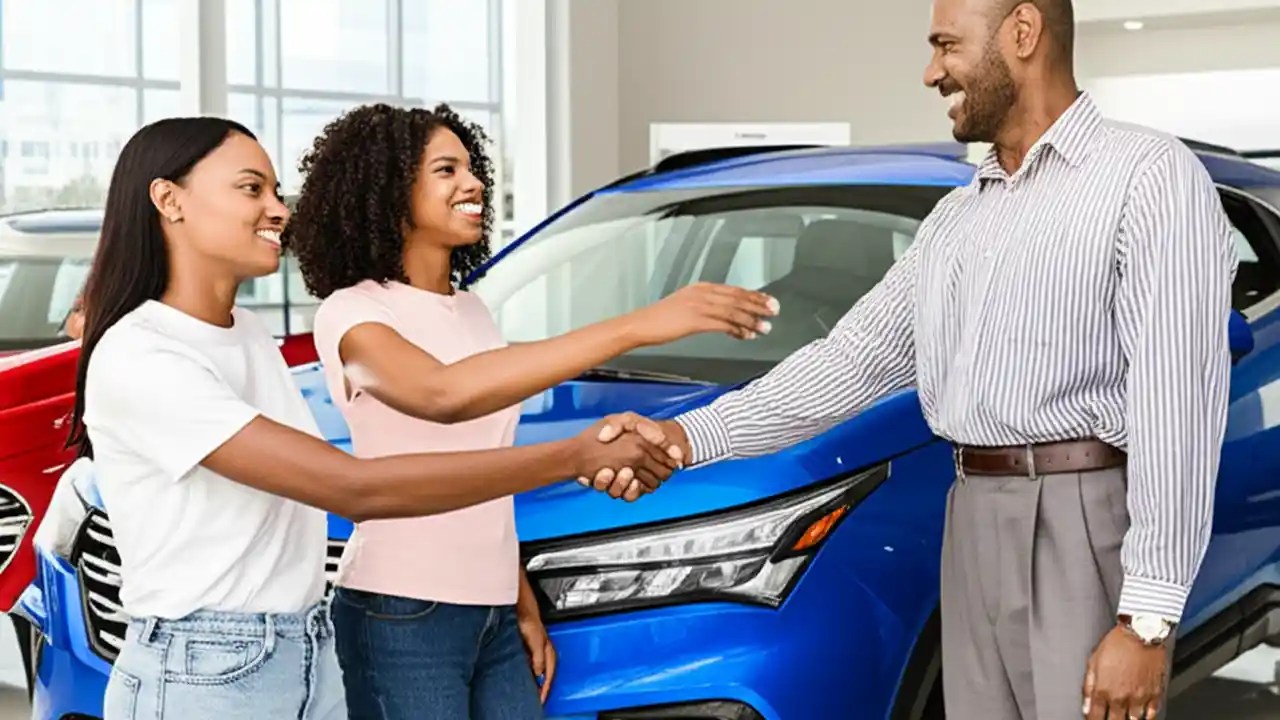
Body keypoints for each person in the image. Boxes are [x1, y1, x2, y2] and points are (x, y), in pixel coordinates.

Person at [592, 1, 1239, 719]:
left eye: (946, 45)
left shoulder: (1148, 177)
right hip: (968, 515)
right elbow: (848, 362)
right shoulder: (957, 219)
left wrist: (1145, 620)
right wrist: (686, 438)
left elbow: (1176, 408)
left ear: (1022, 34)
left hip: (1081, 518)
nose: (932, 72)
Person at [70, 116, 681, 720]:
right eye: (252, 189)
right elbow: (353, 484)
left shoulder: (247, 335)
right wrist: (574, 454)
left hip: (303, 648)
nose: (280, 210)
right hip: (206, 670)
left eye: (277, 191)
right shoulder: (142, 355)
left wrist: (509, 588)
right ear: (169, 199)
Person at [285, 102, 777, 719]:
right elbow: (442, 395)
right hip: (401, 612)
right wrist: (639, 325)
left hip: (491, 612)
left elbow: (481, 468)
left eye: (471, 167)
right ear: (388, 191)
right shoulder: (351, 314)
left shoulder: (472, 312)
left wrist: (517, 600)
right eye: (446, 171)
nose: (473, 184)